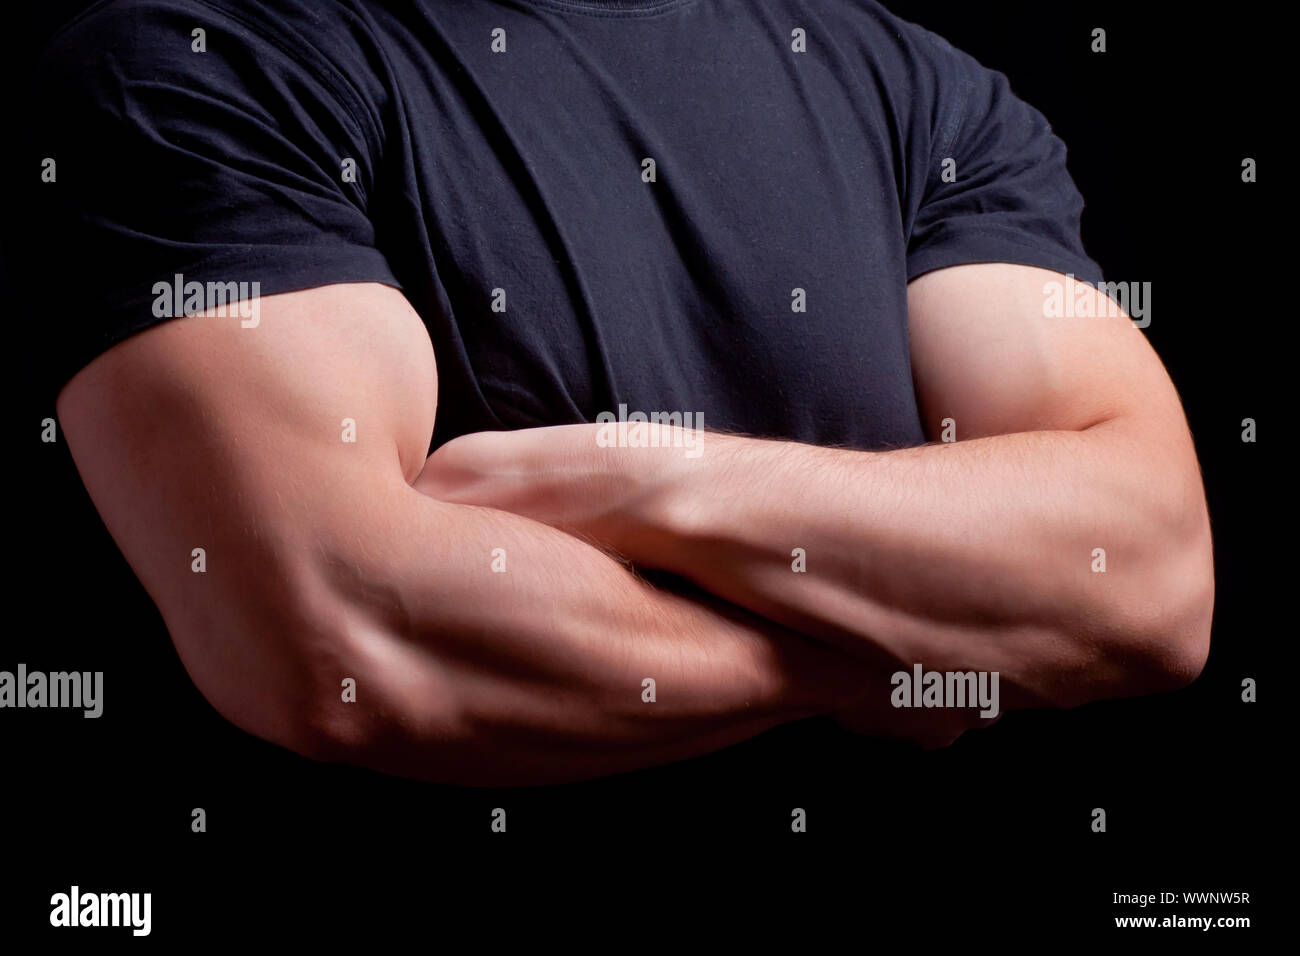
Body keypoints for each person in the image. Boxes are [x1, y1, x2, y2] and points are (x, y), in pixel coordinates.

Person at [25, 0, 1212, 784]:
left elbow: (1148, 573)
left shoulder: (925, 94)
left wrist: (643, 475)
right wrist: (900, 652)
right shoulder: (197, 66)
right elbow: (349, 642)